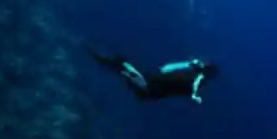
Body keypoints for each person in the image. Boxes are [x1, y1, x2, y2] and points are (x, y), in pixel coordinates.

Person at [87, 47, 219, 104]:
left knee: (125, 68)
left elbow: (195, 82)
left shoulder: (198, 76)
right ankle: (105, 61)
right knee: (124, 69)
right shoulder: (191, 70)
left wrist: (194, 95)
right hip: (152, 86)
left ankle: (103, 60)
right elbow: (169, 68)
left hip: (151, 86)